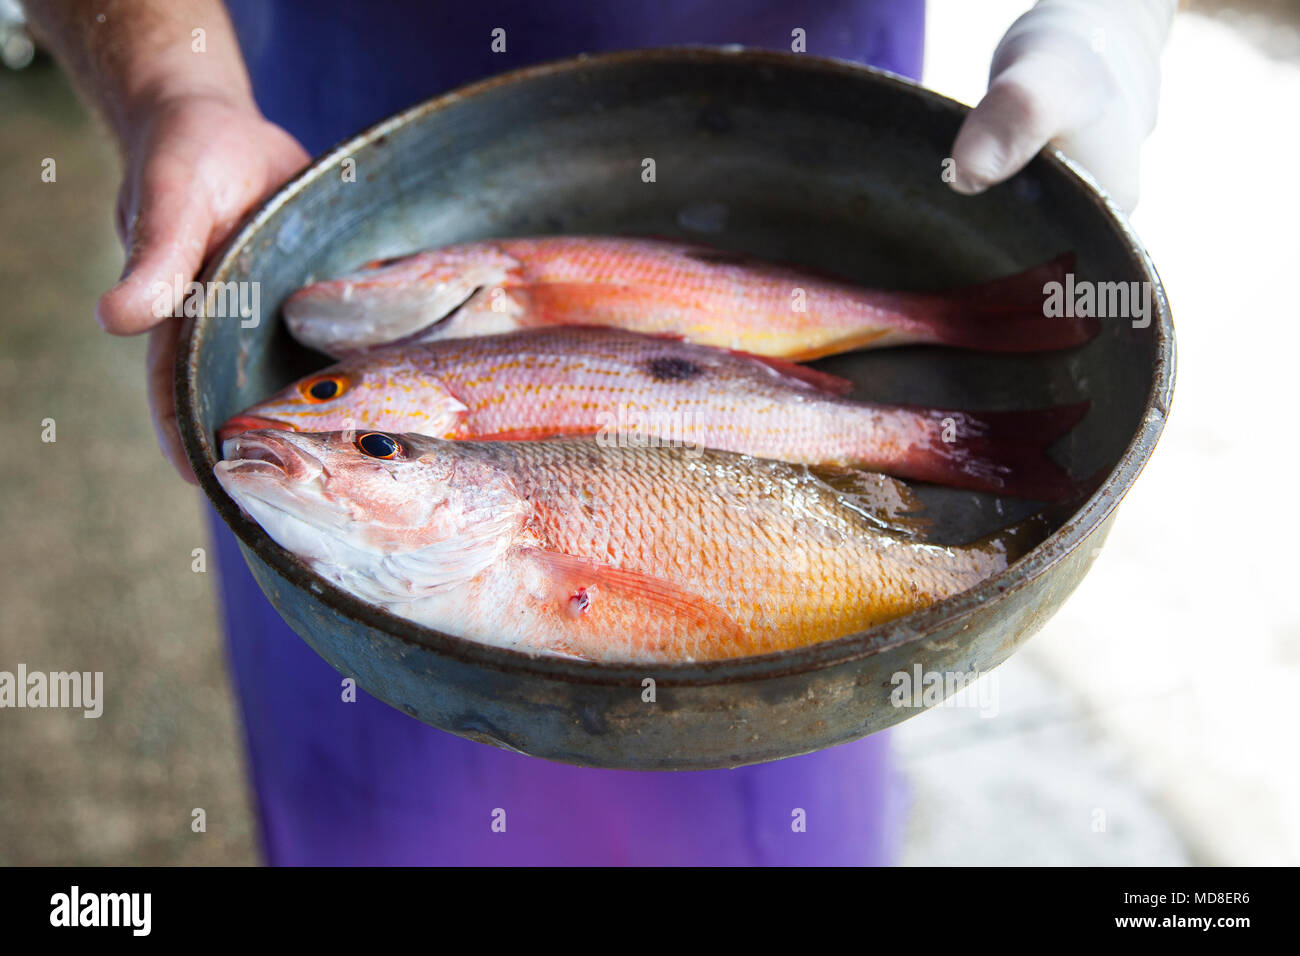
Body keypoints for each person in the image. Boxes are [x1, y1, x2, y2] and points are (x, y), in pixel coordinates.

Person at [29, 0, 1173, 865]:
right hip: (315, 131)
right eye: (347, 408)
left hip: (815, 105)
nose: (328, 394)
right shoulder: (377, 417)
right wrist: (177, 89)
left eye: (347, 410)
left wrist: (1111, 20)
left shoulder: (473, 374)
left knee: (782, 750)